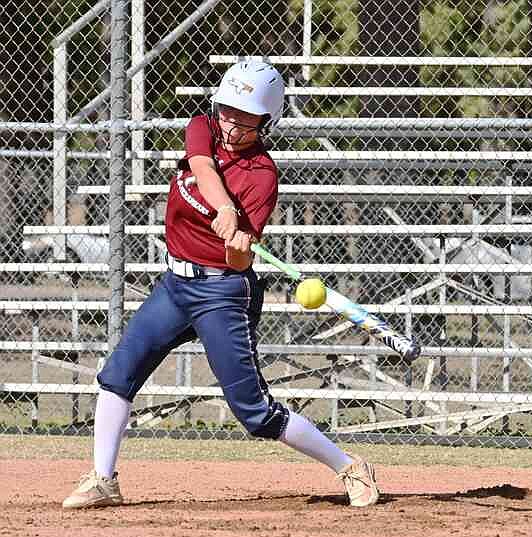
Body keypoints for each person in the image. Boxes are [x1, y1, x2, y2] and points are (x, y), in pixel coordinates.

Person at [63, 61, 379, 509]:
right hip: (176, 283)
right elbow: (203, 167)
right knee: (118, 375)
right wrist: (224, 208)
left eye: (247, 116)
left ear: (267, 121)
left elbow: (239, 259)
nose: (232, 122)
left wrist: (238, 241)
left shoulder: (262, 176)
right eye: (228, 110)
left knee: (254, 411)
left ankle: (349, 466)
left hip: (223, 291)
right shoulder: (202, 127)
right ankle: (102, 479)